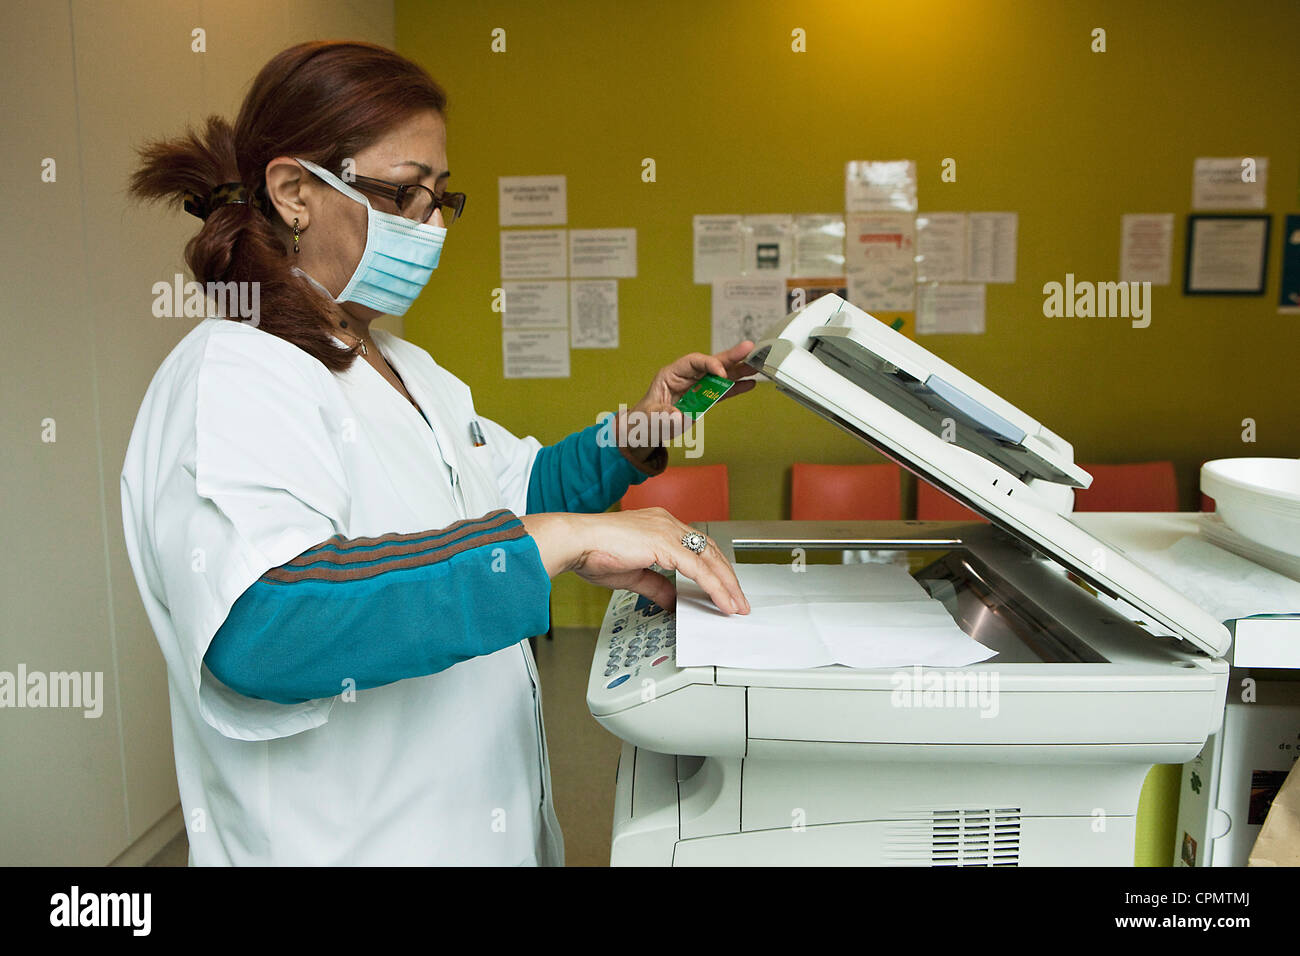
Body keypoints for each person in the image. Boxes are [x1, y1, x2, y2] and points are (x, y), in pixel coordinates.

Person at [121, 40, 753, 866]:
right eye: (401, 193)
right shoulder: (236, 371)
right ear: (294, 191)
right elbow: (263, 624)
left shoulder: (407, 370)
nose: (427, 226)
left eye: (438, 198)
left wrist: (641, 429)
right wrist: (549, 543)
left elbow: (516, 490)